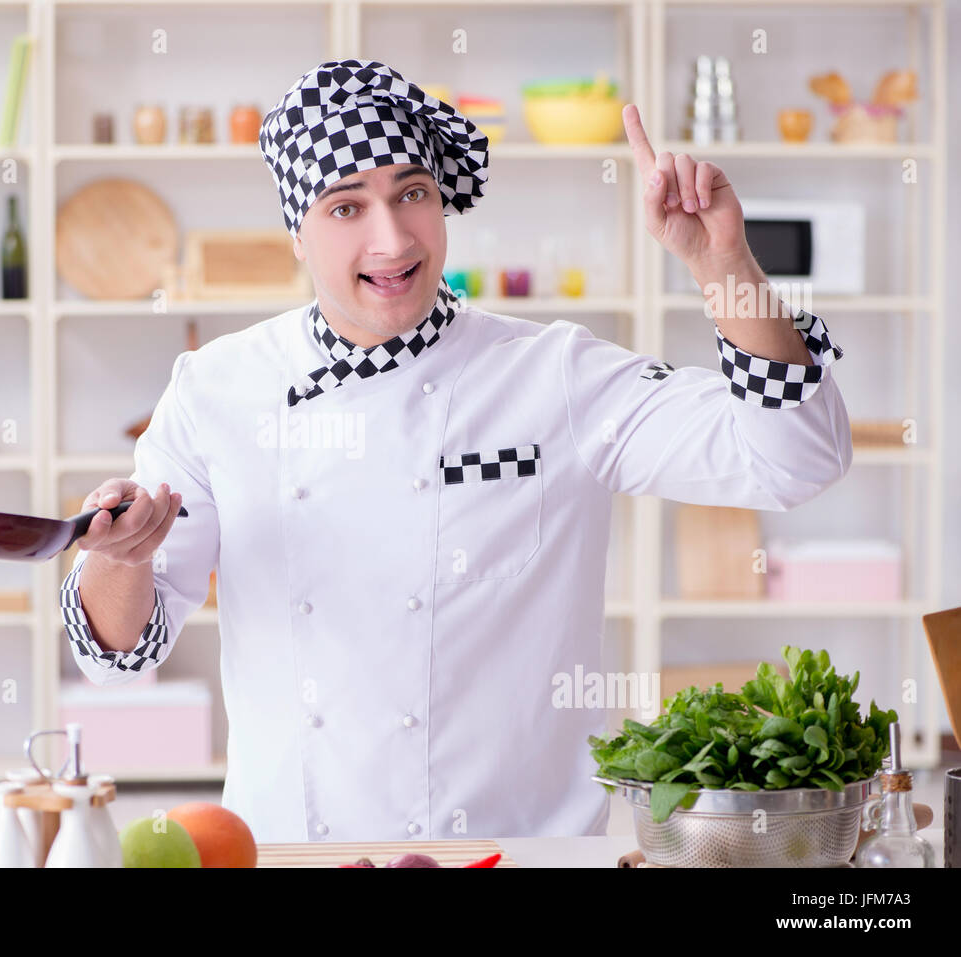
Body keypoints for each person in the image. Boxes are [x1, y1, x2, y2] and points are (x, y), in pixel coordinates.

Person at [58, 60, 851, 843]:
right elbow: (119, 658)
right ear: (295, 231)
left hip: (524, 856)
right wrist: (119, 556)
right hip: (296, 852)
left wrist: (722, 266)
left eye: (413, 193)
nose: (392, 238)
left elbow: (794, 457)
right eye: (346, 208)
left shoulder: (557, 375)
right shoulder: (217, 390)